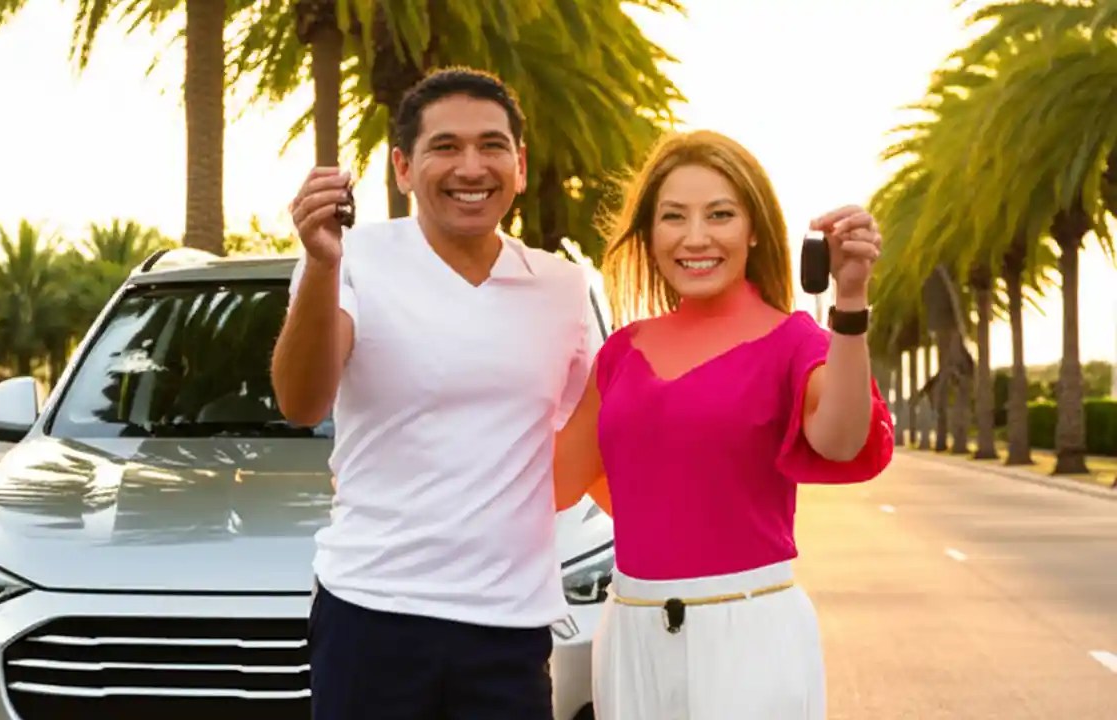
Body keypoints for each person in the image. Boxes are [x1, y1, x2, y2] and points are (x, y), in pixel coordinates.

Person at [271, 67, 601, 720]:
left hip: (510, 628)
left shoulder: (563, 287)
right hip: (372, 616)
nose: (470, 167)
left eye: (491, 146)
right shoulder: (350, 257)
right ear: (403, 167)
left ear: (520, 166)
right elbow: (301, 402)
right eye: (445, 147)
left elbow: (604, 428)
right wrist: (321, 264)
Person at [552, 130, 895, 719]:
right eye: (673, 217)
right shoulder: (622, 354)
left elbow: (841, 442)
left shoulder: (795, 343)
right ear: (649, 234)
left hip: (750, 632)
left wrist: (851, 299)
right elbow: (552, 484)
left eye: (719, 214)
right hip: (630, 631)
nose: (695, 237)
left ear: (754, 229)